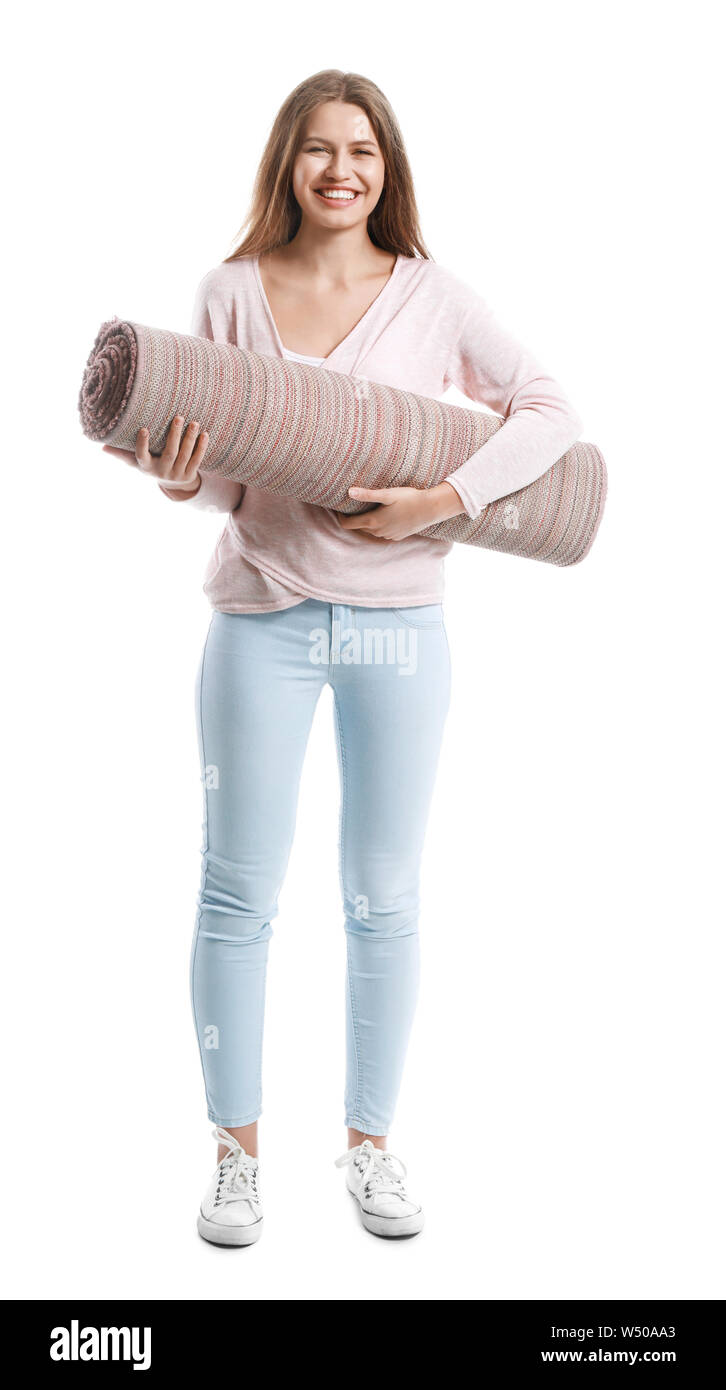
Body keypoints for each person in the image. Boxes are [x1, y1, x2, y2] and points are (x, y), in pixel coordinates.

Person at [103, 69, 583, 1244]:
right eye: (318, 149)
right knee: (236, 892)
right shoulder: (226, 293)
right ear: (287, 163)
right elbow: (224, 482)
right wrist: (177, 473)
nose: (340, 170)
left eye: (361, 151)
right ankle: (234, 1157)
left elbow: (550, 410)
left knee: (384, 898)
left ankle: (369, 1148)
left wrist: (441, 499)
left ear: (387, 168)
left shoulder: (433, 295)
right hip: (258, 617)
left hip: (399, 626)